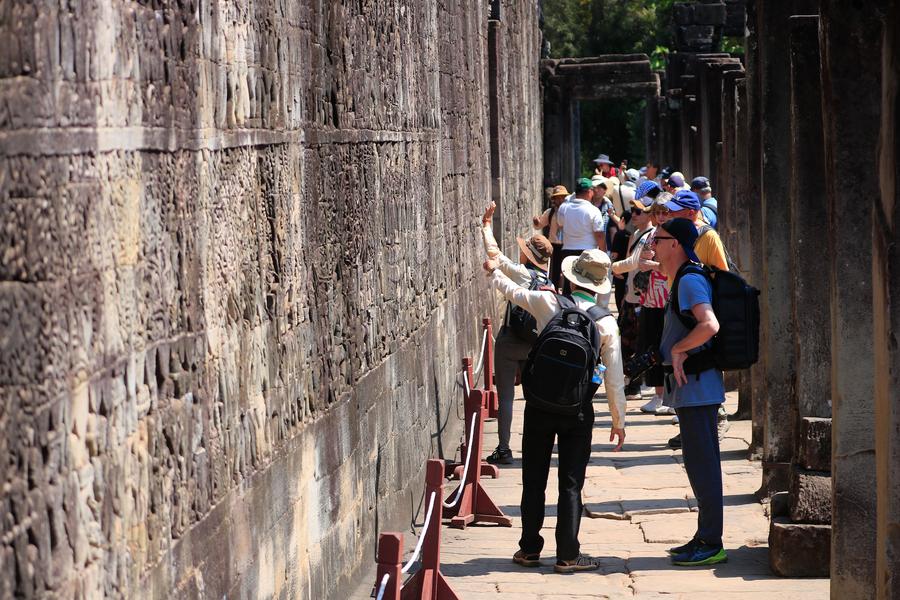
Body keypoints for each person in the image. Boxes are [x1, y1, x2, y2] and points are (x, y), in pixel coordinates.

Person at [484, 249, 626, 574]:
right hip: (577, 409)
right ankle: (568, 555)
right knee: (571, 482)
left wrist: (492, 270)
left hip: (539, 404)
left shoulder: (548, 303)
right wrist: (618, 421)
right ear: (600, 285)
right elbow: (614, 378)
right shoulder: (606, 323)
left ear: (570, 276)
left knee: (533, 478)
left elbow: (512, 291)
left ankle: (529, 549)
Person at [650, 218, 728, 567]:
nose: (652, 244)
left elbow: (709, 324)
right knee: (699, 465)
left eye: (658, 239)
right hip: (693, 388)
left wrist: (680, 348)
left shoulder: (690, 280)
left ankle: (711, 543)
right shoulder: (683, 278)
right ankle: (704, 536)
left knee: (703, 467)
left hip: (698, 388)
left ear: (676, 244)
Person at [643, 190, 730, 443]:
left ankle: (714, 420)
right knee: (684, 374)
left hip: (696, 307)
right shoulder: (674, 235)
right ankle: (690, 427)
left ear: (691, 213)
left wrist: (694, 284)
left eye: (675, 210)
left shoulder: (707, 237)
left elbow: (721, 277)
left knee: (697, 368)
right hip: (680, 301)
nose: (667, 214)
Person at [481, 203, 554, 465]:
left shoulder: (521, 273)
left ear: (528, 256)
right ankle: (536, 444)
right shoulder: (549, 282)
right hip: (536, 345)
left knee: (507, 398)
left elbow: (494, 254)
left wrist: (487, 226)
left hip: (511, 340)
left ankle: (503, 447)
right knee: (536, 398)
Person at [611, 198, 657, 401]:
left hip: (641, 297)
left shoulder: (650, 235)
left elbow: (633, 263)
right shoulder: (637, 234)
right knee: (627, 342)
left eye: (639, 211)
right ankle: (635, 382)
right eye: (633, 211)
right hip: (631, 296)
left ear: (649, 214)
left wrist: (610, 266)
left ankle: (638, 384)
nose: (634, 215)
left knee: (639, 343)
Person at [556, 178, 607, 290]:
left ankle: (568, 306)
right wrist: (604, 252)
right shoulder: (593, 210)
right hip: (588, 253)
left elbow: (560, 225)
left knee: (567, 285)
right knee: (586, 285)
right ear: (589, 192)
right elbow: (599, 235)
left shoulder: (563, 208)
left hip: (567, 250)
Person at [534, 185, 569, 288]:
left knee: (568, 270)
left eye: (562, 197)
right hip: (554, 245)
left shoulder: (570, 212)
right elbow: (539, 225)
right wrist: (536, 222)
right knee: (554, 271)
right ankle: (554, 291)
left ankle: (567, 292)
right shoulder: (550, 213)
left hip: (568, 244)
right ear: (554, 199)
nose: (560, 199)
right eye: (558, 197)